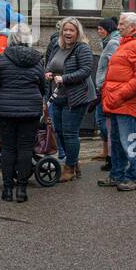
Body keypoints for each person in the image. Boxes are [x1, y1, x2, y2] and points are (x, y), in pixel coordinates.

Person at [0, 27, 46, 202]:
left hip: (6, 111)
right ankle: (22, 190)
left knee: (9, 148)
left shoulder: (3, 59)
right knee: (26, 149)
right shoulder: (37, 60)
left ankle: (7, 189)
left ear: (10, 39)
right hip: (30, 111)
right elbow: (43, 86)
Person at [98, 12, 136, 192]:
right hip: (116, 102)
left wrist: (120, 94)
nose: (118, 26)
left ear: (133, 27)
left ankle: (134, 177)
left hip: (126, 102)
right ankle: (118, 175)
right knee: (118, 142)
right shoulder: (127, 43)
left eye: (122, 24)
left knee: (132, 141)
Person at [45, 16, 95, 183]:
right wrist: (48, 74)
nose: (67, 33)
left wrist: (64, 78)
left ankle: (69, 168)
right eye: (65, 30)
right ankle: (73, 162)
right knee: (58, 131)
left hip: (77, 97)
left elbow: (86, 70)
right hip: (58, 95)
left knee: (70, 133)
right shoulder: (56, 46)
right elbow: (49, 64)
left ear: (77, 32)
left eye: (71, 30)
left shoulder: (82, 48)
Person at [93, 17, 120, 172]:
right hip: (104, 87)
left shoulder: (113, 42)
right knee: (104, 122)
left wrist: (104, 84)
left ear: (108, 29)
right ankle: (109, 155)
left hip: (107, 89)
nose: (98, 31)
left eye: (101, 28)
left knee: (105, 123)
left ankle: (112, 158)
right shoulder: (109, 42)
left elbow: (113, 66)